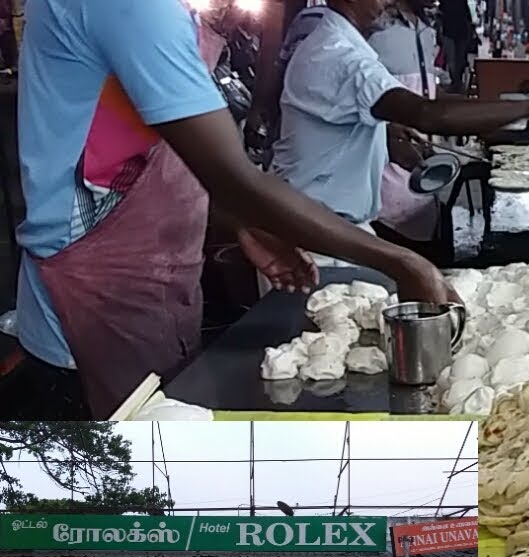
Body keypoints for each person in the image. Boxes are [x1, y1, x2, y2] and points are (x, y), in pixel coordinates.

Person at [15, 0, 463, 419]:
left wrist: (239, 220)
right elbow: (235, 176)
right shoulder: (136, 7)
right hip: (84, 317)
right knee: (125, 485)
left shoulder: (175, 15)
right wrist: (400, 262)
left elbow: (162, 157)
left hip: (154, 286)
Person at [266, 0, 529, 262]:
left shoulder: (339, 44)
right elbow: (427, 114)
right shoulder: (339, 55)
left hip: (321, 223)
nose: (387, 1)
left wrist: (385, 136)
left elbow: (340, 120)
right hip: (316, 236)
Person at [368, 0, 449, 246]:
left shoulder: (426, 26)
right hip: (384, 190)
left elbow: (426, 93)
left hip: (424, 185)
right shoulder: (372, 27)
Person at [438, 0, 474, 93]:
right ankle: (457, 82)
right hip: (461, 28)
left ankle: (456, 82)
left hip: (450, 28)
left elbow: (441, 9)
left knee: (453, 59)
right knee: (459, 58)